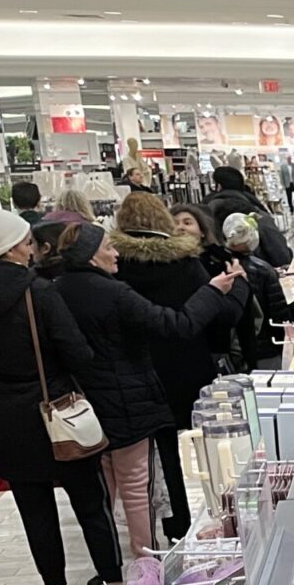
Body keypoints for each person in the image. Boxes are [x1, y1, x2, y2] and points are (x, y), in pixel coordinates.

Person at [43, 222, 243, 564]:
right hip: (128, 402)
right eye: (108, 247)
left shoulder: (54, 290)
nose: (116, 253)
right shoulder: (114, 293)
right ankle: (146, 562)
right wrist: (212, 291)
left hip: (81, 406)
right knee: (137, 486)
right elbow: (176, 325)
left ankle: (109, 567)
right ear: (91, 257)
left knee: (102, 490)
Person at [0, 211, 124, 585]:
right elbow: (77, 351)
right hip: (58, 411)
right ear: (12, 248)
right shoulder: (39, 292)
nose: (30, 248)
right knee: (90, 505)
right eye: (25, 241)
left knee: (35, 513)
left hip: (5, 419)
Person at [111, 192, 246, 542]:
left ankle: (170, 532)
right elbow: (220, 316)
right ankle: (222, 520)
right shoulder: (185, 264)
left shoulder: (114, 268)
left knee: (157, 458)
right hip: (189, 365)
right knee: (209, 449)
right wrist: (238, 287)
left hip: (139, 372)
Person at [223, 211, 294, 369]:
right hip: (265, 351)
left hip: (230, 352)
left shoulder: (216, 268)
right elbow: (278, 314)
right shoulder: (263, 270)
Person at [203, 166, 292, 268]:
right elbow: (281, 256)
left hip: (217, 272)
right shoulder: (255, 211)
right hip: (256, 270)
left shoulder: (206, 214)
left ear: (218, 186)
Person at [170, 204, 230, 277]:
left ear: (202, 231)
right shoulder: (164, 264)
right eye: (175, 224)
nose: (180, 227)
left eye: (187, 223)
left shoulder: (221, 258)